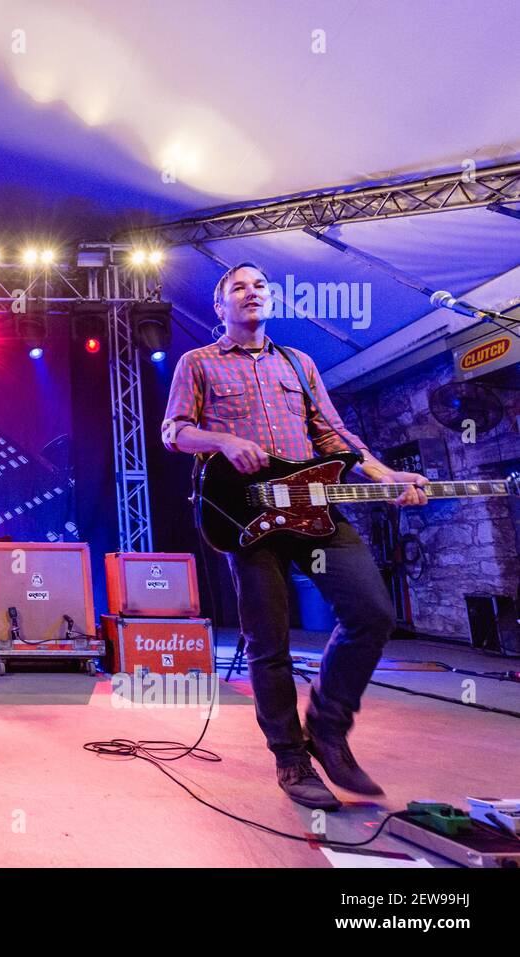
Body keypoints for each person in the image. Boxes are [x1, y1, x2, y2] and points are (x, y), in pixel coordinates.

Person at [161, 261, 428, 810]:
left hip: (315, 511)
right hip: (249, 518)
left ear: (271, 300)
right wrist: (223, 441)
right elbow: (174, 432)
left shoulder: (299, 363)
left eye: (260, 286)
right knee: (268, 642)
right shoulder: (198, 362)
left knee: (372, 613)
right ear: (220, 306)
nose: (251, 293)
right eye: (238, 287)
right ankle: (290, 759)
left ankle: (327, 729)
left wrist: (386, 477)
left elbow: (333, 434)